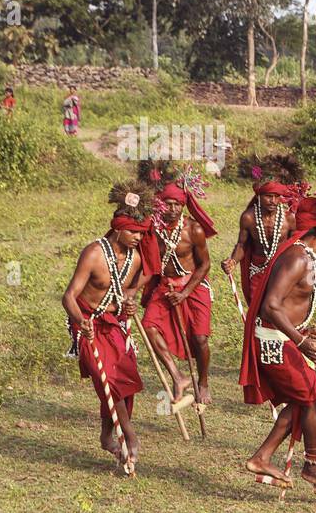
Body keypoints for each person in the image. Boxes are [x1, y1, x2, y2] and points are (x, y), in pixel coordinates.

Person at [239, 174, 316, 493]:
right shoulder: (298, 256)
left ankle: (262, 457)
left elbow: (289, 304)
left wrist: (303, 328)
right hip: (275, 342)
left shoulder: (305, 254)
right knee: (311, 400)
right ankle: (312, 465)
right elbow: (271, 305)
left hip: (286, 336)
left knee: (305, 399)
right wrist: (300, 340)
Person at [61, 184, 152, 473]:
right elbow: (69, 296)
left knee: (125, 379)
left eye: (142, 233)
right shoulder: (94, 253)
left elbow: (125, 294)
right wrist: (81, 321)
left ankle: (106, 435)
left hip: (113, 324)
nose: (139, 238)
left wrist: (129, 305)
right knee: (109, 380)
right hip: (86, 323)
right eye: (134, 232)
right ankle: (130, 437)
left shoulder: (135, 259)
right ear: (118, 228)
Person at [140, 172, 217, 406]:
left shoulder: (194, 230)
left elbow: (205, 265)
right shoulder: (152, 229)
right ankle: (178, 376)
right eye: (168, 204)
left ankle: (203, 382)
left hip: (194, 287)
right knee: (148, 327)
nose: (172, 209)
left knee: (200, 339)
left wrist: (185, 292)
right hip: (166, 286)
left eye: (177, 204)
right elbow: (146, 263)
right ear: (159, 204)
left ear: (183, 205)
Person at [222, 160, 303, 304]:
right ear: (259, 196)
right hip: (258, 269)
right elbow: (241, 245)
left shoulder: (289, 218)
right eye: (268, 196)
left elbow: (296, 246)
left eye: (276, 196)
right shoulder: (249, 218)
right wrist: (233, 261)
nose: (273, 201)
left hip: (282, 270)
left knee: (280, 308)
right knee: (259, 309)